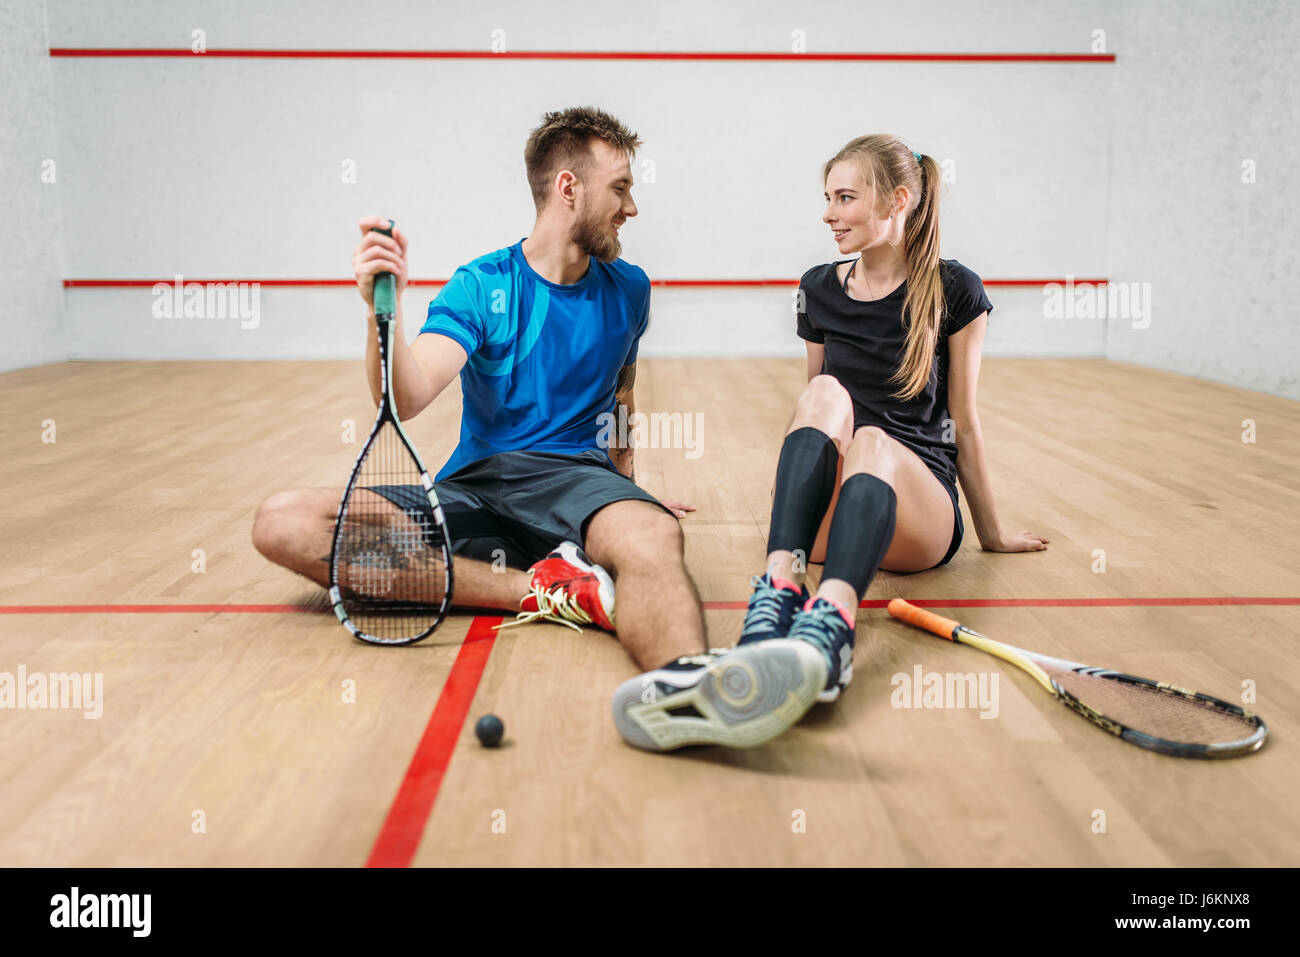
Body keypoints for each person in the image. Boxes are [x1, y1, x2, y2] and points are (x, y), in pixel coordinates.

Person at [251, 106, 827, 752]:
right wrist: (378, 317)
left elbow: (621, 394)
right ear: (568, 188)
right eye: (621, 188)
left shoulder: (629, 290)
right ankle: (547, 589)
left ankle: (686, 689)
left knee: (653, 535)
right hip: (478, 490)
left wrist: (627, 494)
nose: (631, 207)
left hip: (577, 485)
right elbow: (405, 396)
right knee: (284, 521)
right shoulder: (483, 285)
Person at [736, 134, 1050, 704]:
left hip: (918, 516)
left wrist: (992, 532)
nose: (828, 214)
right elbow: (815, 407)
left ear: (897, 200)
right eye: (828, 198)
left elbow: (965, 421)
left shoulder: (956, 289)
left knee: (874, 440)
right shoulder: (815, 288)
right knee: (827, 390)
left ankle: (831, 624)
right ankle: (778, 588)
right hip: (837, 515)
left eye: (845, 198)